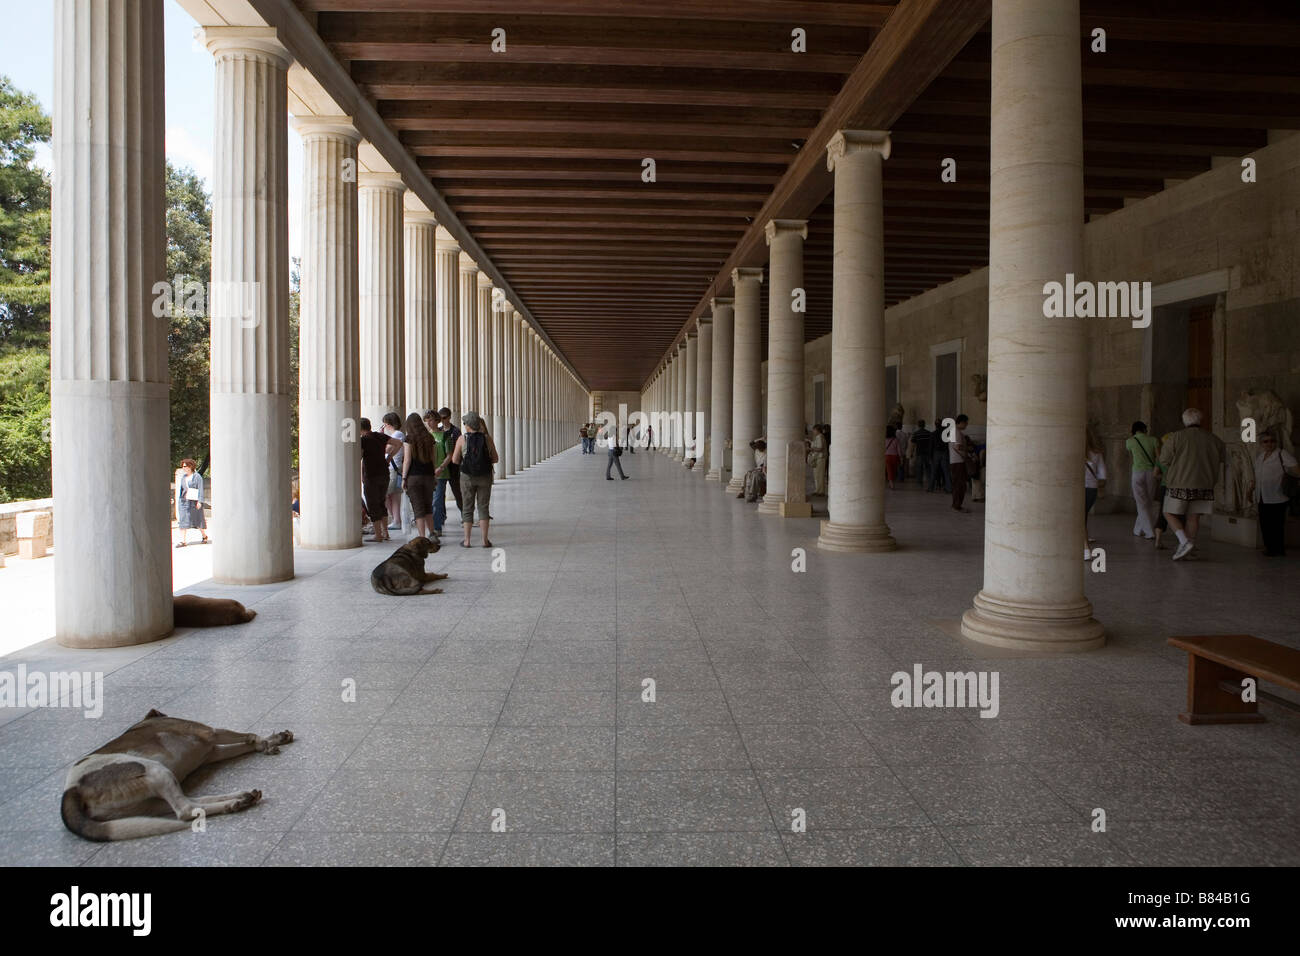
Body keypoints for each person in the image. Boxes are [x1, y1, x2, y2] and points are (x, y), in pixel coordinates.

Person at [1159, 407, 1226, 561]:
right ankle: (1191, 548)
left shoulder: (1176, 437)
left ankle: (1184, 542)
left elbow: (1164, 460)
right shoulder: (1214, 439)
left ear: (1184, 421)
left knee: (1168, 512)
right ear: (1200, 420)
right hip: (1205, 484)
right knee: (1194, 517)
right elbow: (1223, 459)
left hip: (1179, 482)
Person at [450, 411, 499, 547]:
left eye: (465, 423)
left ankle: (467, 541)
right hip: (485, 477)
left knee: (467, 508)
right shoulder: (487, 438)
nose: (464, 425)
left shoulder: (462, 439)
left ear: (469, 425)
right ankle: (484, 540)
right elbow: (495, 458)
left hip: (467, 477)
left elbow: (454, 460)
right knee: (483, 508)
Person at [1247, 431, 1299, 556]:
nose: (1269, 443)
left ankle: (1278, 550)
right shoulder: (1260, 457)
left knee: (1277, 525)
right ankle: (1269, 547)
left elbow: (1296, 469)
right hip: (1262, 496)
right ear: (1261, 444)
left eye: (1272, 441)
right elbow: (1256, 477)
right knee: (1265, 524)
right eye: (1266, 441)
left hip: (1278, 495)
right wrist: (1249, 492)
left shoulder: (1282, 454)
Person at [400, 413, 439, 540]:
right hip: (428, 476)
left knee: (418, 508)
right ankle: (432, 533)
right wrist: (433, 475)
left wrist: (404, 478)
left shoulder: (408, 439)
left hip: (413, 477)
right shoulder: (429, 437)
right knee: (428, 506)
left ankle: (422, 537)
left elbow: (407, 460)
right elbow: (433, 459)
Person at [1125, 421, 1161, 541]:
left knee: (1141, 502)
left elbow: (1131, 455)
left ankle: (1149, 532)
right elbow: (1158, 457)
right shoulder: (1153, 440)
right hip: (1151, 472)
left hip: (1137, 472)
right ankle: (1138, 529)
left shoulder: (1129, 441)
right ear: (1145, 429)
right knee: (1148, 501)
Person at [359, 418, 392, 542]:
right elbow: (398, 443)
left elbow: (359, 457)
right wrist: (388, 458)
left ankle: (378, 535)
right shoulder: (380, 436)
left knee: (373, 504)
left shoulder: (363, 440)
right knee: (381, 502)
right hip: (384, 473)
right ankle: (385, 533)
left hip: (371, 475)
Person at [424, 410, 451, 537]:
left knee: (437, 500)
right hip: (427, 473)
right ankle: (432, 524)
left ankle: (436, 526)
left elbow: (449, 455)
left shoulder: (445, 436)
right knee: (429, 500)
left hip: (441, 473)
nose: (429, 423)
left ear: (437, 421)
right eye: (426, 420)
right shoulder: (425, 436)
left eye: (431, 420)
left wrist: (441, 467)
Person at [1084, 425, 1107, 557]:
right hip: (1092, 490)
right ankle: (1084, 545)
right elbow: (1103, 475)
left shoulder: (1073, 453)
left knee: (1079, 519)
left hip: (1078, 490)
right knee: (1083, 516)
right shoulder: (1097, 453)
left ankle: (1086, 548)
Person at [174, 459, 209, 547]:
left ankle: (204, 535)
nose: (184, 468)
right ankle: (183, 541)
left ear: (191, 466)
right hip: (184, 501)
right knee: (183, 520)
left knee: (197, 519)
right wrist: (179, 500)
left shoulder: (197, 477)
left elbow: (200, 489)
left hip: (194, 502)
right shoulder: (183, 477)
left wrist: (200, 501)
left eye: (185, 466)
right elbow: (182, 490)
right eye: (183, 466)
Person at [381, 412, 406, 533]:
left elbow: (386, 449)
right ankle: (396, 520)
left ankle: (394, 518)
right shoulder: (399, 434)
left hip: (393, 469)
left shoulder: (397, 434)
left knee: (384, 494)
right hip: (396, 468)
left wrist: (381, 439)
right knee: (395, 496)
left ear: (388, 424)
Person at [438, 407, 464, 515]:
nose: (442, 421)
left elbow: (459, 448)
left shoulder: (456, 431)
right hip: (442, 466)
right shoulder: (438, 431)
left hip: (453, 467)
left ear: (449, 417)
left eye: (444, 418)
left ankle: (464, 514)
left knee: (457, 492)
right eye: (440, 419)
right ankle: (442, 516)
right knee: (440, 494)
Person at [949, 414, 974, 513]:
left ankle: (956, 504)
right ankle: (957, 506)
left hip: (955, 461)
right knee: (960, 485)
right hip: (958, 461)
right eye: (966, 423)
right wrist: (968, 450)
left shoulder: (954, 432)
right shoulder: (956, 432)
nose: (967, 425)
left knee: (957, 484)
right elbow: (957, 447)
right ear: (962, 422)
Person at [929, 417, 952, 494]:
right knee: (946, 472)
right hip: (944, 452)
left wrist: (930, 456)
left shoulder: (933, 434)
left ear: (935, 425)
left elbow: (931, 446)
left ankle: (931, 488)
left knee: (933, 471)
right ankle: (949, 488)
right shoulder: (946, 433)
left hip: (936, 453)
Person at [911, 420, 932, 489]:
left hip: (919, 453)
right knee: (928, 468)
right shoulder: (929, 433)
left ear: (918, 425)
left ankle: (920, 483)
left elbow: (913, 444)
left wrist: (911, 452)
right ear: (924, 425)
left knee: (919, 468)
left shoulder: (916, 433)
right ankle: (929, 482)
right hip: (927, 453)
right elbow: (931, 444)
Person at [809, 424, 828, 496]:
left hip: (820, 458)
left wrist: (811, 449)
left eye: (814, 430)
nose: (813, 431)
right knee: (816, 475)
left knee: (819, 475)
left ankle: (821, 491)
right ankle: (818, 490)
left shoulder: (820, 436)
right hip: (818, 458)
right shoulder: (817, 437)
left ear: (817, 430)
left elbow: (820, 448)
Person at [884, 425, 901, 491]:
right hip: (895, 456)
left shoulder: (884, 439)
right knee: (894, 470)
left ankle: (891, 483)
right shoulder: (896, 439)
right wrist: (901, 457)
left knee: (889, 470)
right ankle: (891, 482)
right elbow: (898, 449)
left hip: (887, 456)